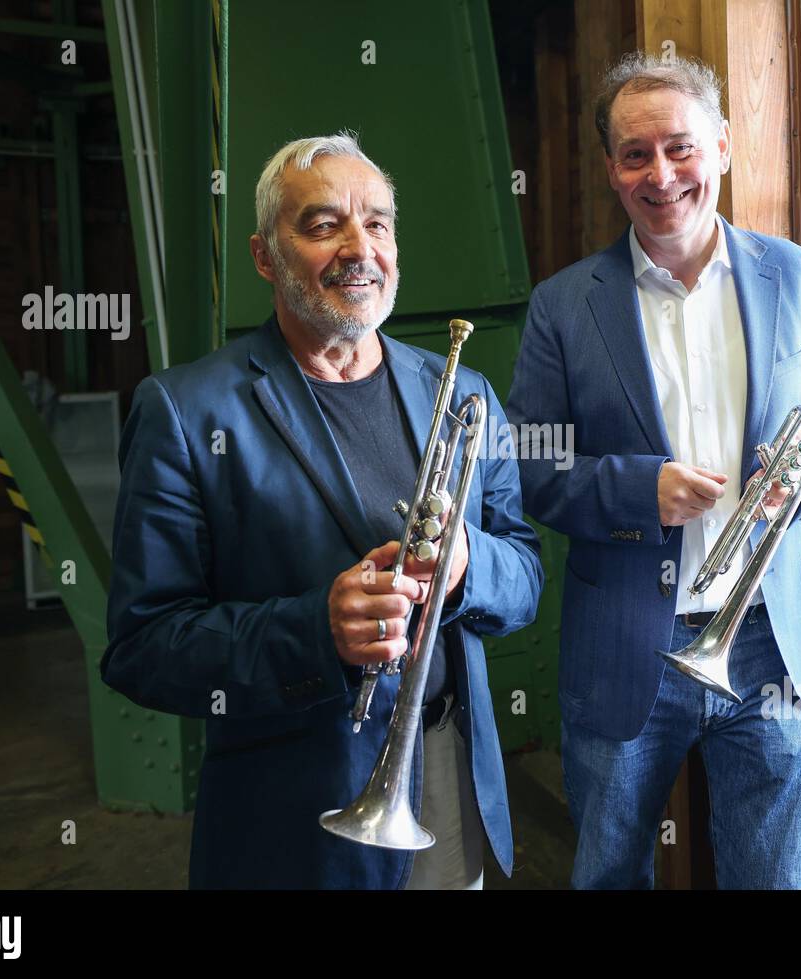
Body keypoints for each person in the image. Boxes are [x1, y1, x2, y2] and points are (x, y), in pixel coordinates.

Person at [101, 132, 542, 889]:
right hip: (295, 806)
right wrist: (313, 629)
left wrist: (469, 565)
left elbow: (527, 576)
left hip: (445, 770)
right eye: (322, 224)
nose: (358, 247)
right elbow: (143, 646)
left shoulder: (463, 392)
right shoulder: (184, 409)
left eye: (377, 222)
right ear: (265, 256)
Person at [505, 53, 801, 889]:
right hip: (628, 640)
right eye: (635, 155)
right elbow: (529, 461)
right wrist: (640, 488)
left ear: (725, 147)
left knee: (777, 878)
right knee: (607, 873)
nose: (660, 174)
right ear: (610, 169)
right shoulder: (564, 304)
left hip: (772, 642)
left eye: (681, 147)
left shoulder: (796, 274)